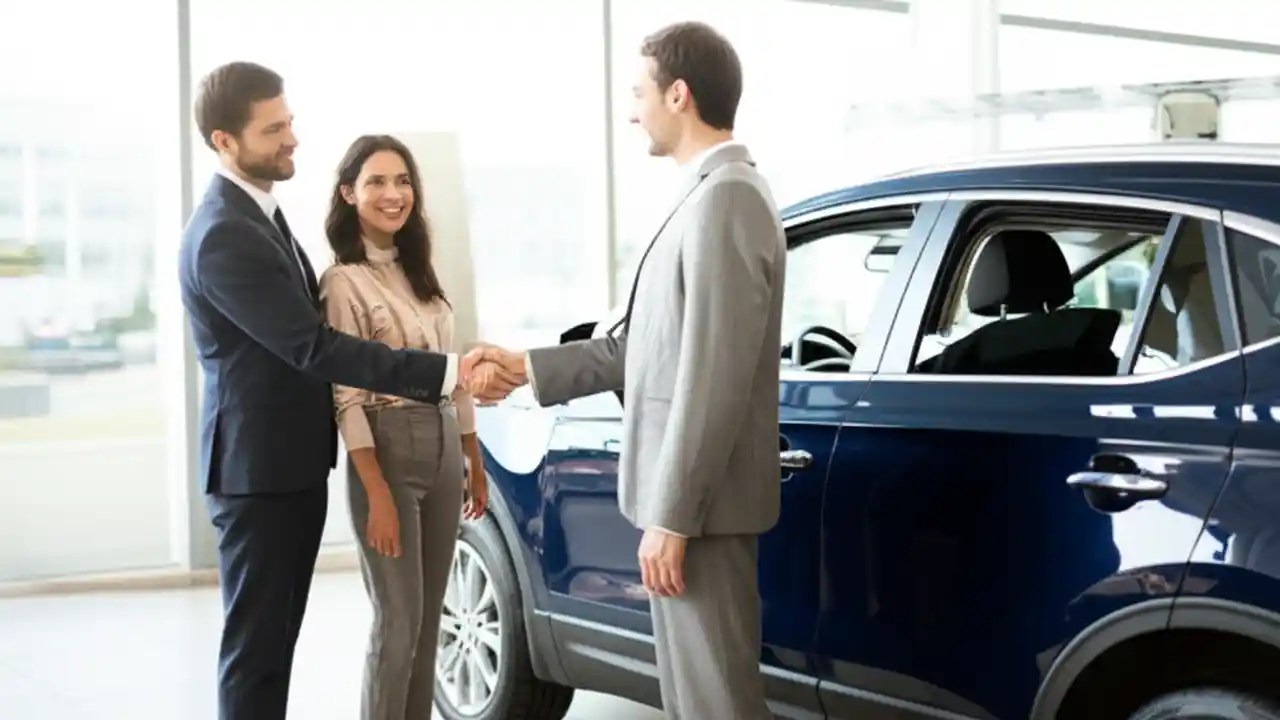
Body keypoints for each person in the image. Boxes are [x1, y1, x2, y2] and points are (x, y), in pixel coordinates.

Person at [177, 62, 512, 720]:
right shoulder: (224, 233)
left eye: (290, 122)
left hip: (287, 467)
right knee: (257, 651)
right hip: (258, 474)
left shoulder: (258, 218)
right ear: (224, 141)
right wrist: (443, 373)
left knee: (272, 646)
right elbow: (314, 348)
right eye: (273, 129)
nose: (292, 138)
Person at [470, 21, 785, 720]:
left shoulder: (728, 198)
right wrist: (524, 366)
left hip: (700, 515)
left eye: (639, 91)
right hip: (689, 511)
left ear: (679, 94)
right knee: (693, 699)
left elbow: (713, 376)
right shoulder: (702, 195)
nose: (632, 108)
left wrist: (673, 517)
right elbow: (645, 348)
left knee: (716, 703)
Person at [318, 134, 486, 719]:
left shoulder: (421, 275)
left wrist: (474, 458)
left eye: (403, 181)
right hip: (385, 452)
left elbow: (453, 370)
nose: (394, 194)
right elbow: (347, 397)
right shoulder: (342, 282)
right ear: (349, 193)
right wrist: (375, 493)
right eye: (377, 182)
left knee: (430, 618)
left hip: (442, 444)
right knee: (398, 622)